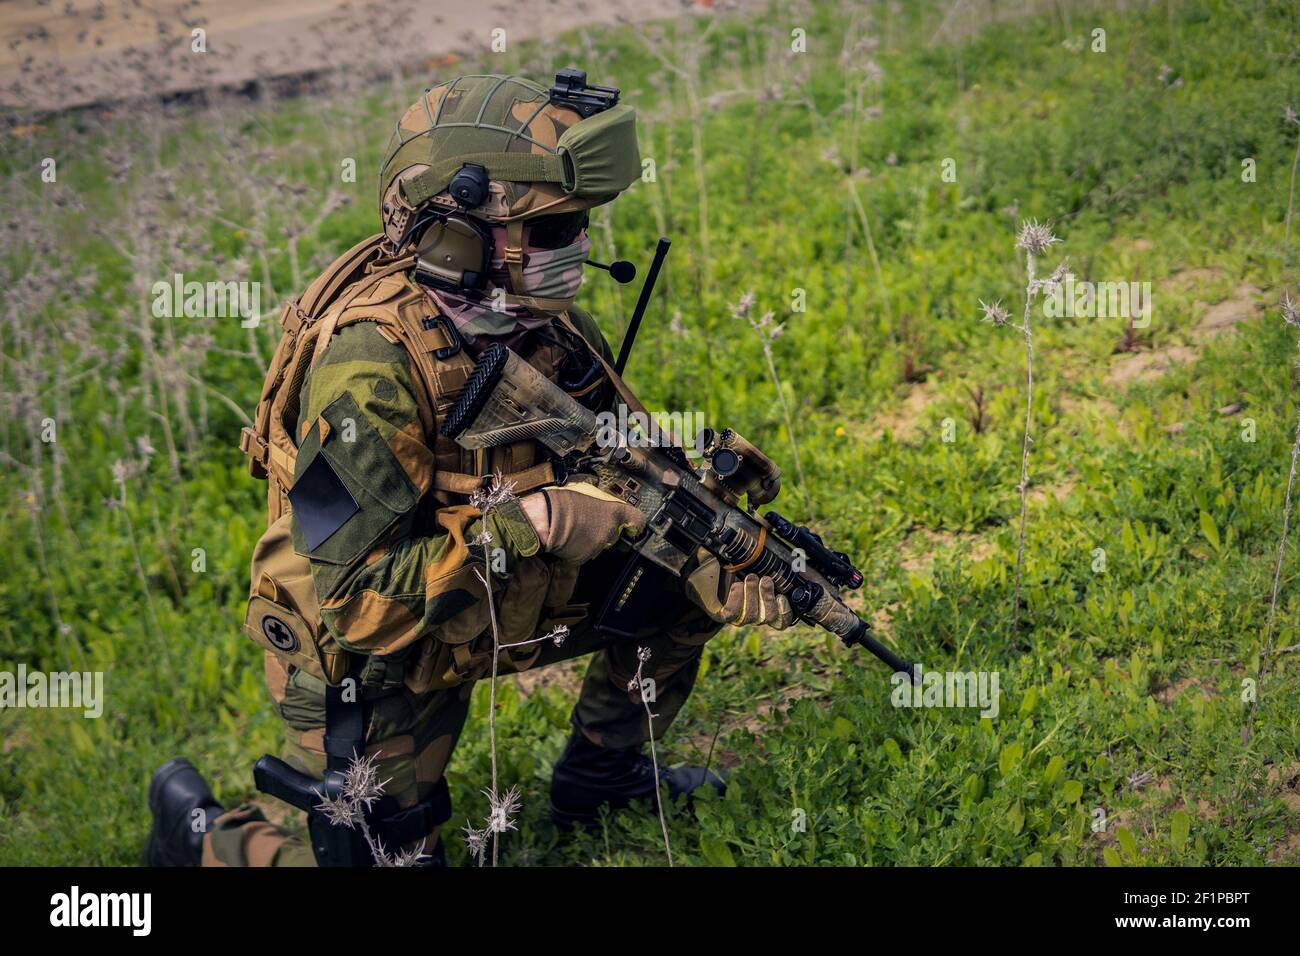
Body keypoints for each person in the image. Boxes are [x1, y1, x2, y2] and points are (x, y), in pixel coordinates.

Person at [145, 71, 795, 867]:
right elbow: (355, 602)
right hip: (381, 659)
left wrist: (706, 515)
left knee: (681, 561)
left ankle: (602, 777)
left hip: (497, 598)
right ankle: (204, 836)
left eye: (579, 227)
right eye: (551, 232)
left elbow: (625, 465)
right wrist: (541, 522)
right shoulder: (366, 371)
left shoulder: (545, 323)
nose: (577, 250)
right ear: (450, 235)